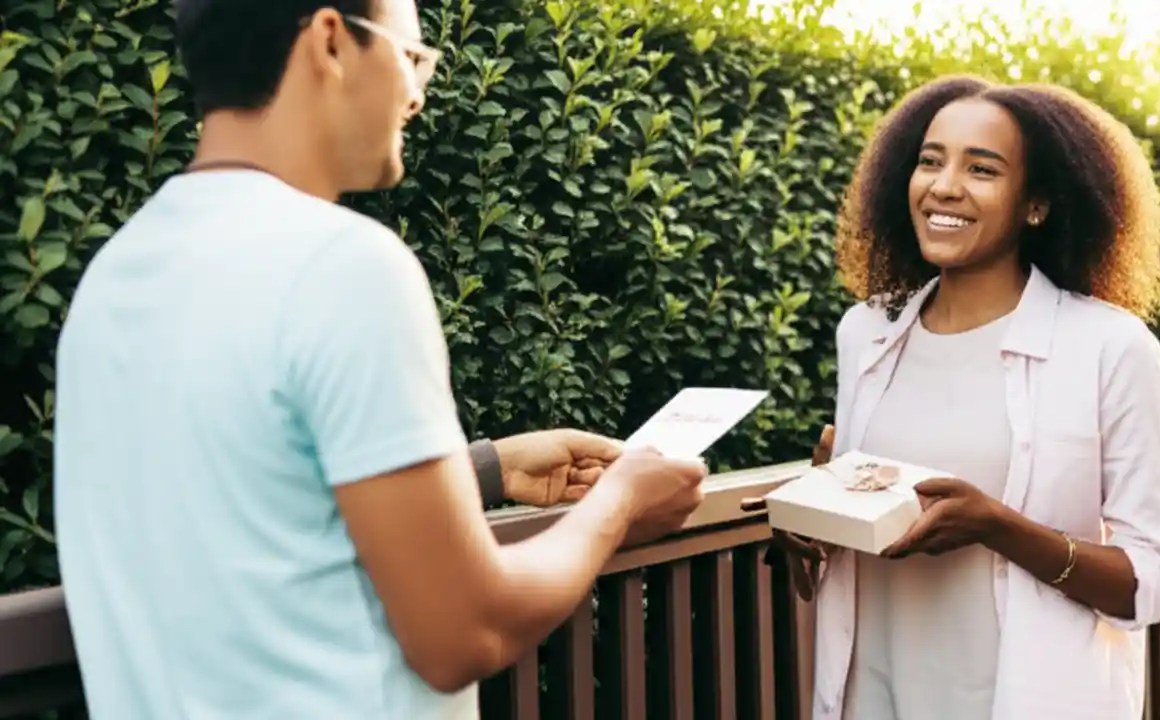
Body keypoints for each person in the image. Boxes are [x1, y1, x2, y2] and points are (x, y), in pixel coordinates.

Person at [52, 1, 707, 719]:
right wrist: (621, 503)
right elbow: (465, 630)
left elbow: (240, 502)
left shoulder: (112, 279)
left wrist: (485, 468)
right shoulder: (345, 267)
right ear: (331, 40)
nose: (419, 91)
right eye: (411, 57)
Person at [787, 75, 1160, 720]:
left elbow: (1152, 583)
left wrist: (997, 527)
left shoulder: (1112, 347)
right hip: (874, 695)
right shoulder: (866, 332)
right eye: (930, 160)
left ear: (1036, 205)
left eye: (983, 168)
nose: (944, 186)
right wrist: (815, 522)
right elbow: (867, 516)